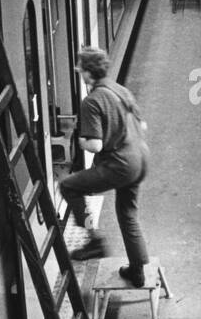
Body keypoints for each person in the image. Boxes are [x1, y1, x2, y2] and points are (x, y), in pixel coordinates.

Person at [61, 47, 151, 286]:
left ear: (88, 73)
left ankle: (93, 240)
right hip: (140, 158)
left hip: (120, 165)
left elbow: (95, 146)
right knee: (128, 213)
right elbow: (142, 126)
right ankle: (137, 270)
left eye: (80, 69)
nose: (79, 72)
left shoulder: (91, 101)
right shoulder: (120, 89)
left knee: (68, 186)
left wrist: (80, 139)